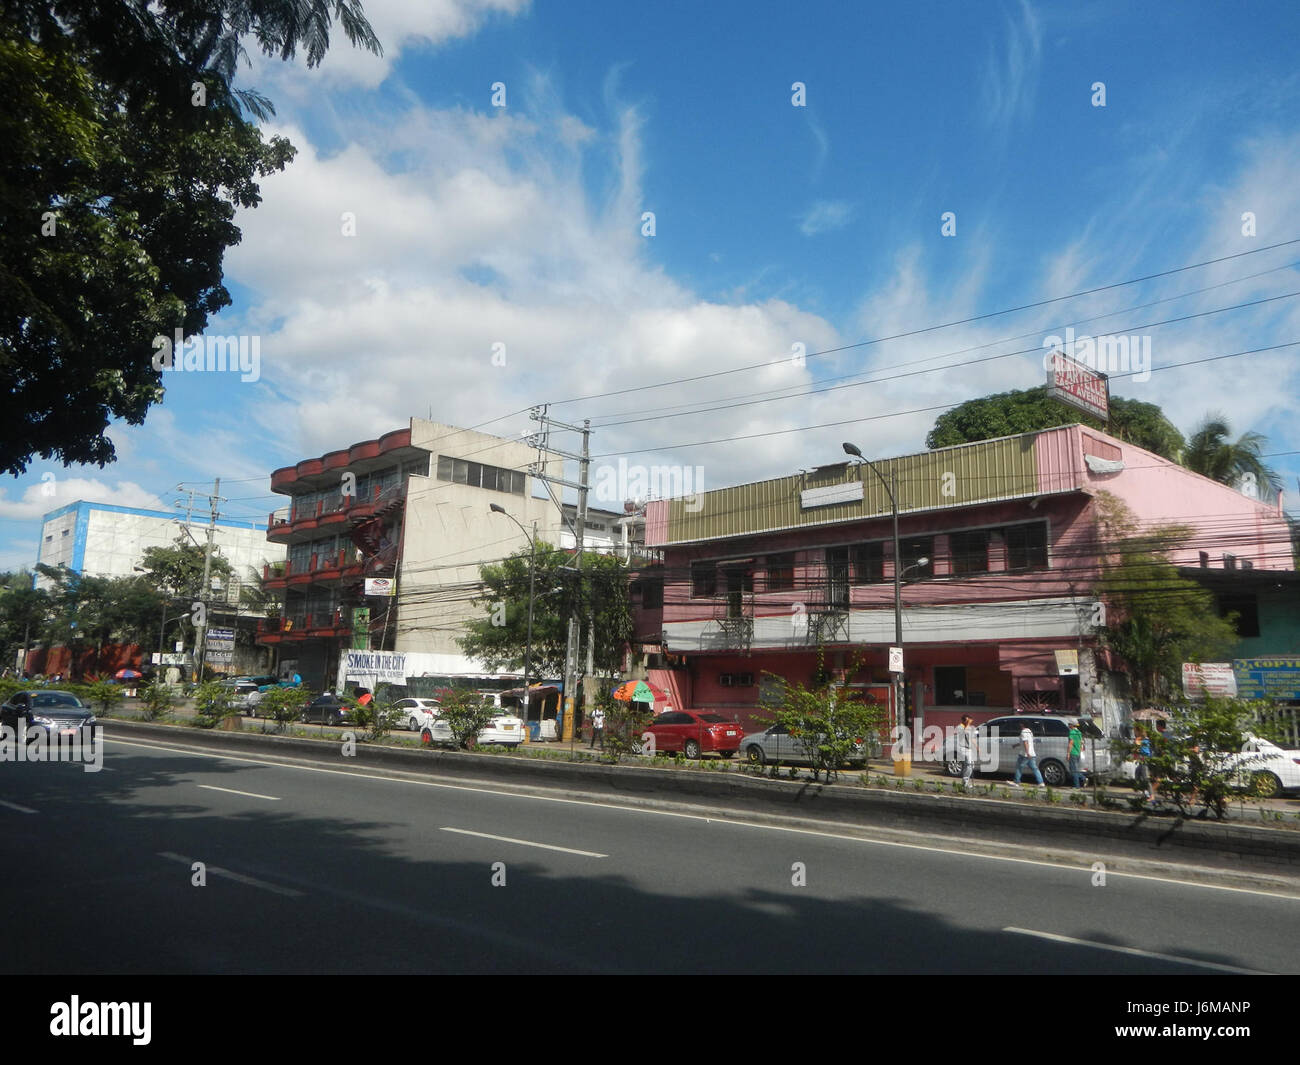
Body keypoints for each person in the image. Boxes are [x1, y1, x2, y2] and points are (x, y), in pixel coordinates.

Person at [1010, 721, 1043, 786]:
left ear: (1022, 725)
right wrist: (1016, 745)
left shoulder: (1023, 732)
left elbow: (1025, 742)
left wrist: (1027, 752)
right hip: (1032, 753)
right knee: (1034, 768)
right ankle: (1041, 782)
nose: (1020, 726)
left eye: (1020, 724)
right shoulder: (1030, 732)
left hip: (1024, 754)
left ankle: (1016, 782)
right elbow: (1024, 742)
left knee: (1019, 767)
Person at [955, 714, 978, 785]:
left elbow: (972, 738)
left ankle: (965, 781)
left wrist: (977, 747)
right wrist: (968, 724)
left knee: (970, 765)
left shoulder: (969, 728)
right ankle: (965, 782)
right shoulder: (959, 727)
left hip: (969, 749)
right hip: (963, 748)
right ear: (963, 720)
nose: (969, 722)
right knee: (969, 765)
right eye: (967, 720)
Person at [1134, 725, 1154, 801]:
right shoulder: (1142, 739)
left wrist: (1137, 743)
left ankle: (1151, 795)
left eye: (1135, 731)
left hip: (1145, 760)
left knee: (1146, 778)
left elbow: (1139, 745)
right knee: (1137, 774)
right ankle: (1144, 792)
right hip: (1141, 761)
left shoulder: (1144, 740)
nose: (1134, 733)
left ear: (1139, 732)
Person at [1066, 721, 1085, 788]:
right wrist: (1080, 750)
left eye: (1069, 724)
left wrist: (1068, 753)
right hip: (1078, 753)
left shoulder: (1072, 732)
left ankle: (1076, 785)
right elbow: (1081, 743)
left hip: (1073, 752)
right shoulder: (1079, 733)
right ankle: (1083, 778)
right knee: (1075, 769)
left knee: (1073, 770)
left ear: (1072, 725)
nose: (1068, 725)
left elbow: (1070, 743)